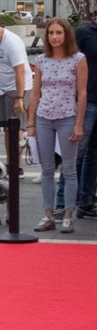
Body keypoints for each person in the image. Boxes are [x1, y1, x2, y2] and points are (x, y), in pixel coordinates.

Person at [27, 18, 86, 234]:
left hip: (68, 117)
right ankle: (47, 215)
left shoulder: (78, 59)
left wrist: (79, 123)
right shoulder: (41, 60)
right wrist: (31, 123)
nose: (54, 37)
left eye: (58, 33)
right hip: (44, 117)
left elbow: (82, 93)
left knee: (68, 169)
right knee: (47, 169)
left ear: (66, 35)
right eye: (51, 33)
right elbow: (35, 93)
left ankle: (68, 215)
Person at [0, 20, 33, 177]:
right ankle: (11, 163)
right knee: (7, 128)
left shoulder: (12, 42)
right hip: (3, 88)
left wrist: (19, 97)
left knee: (16, 128)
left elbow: (20, 71)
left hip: (17, 87)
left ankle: (17, 166)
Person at [71, 12, 97, 219]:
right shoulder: (83, 33)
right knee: (77, 152)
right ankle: (66, 201)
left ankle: (86, 201)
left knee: (94, 155)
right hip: (88, 100)